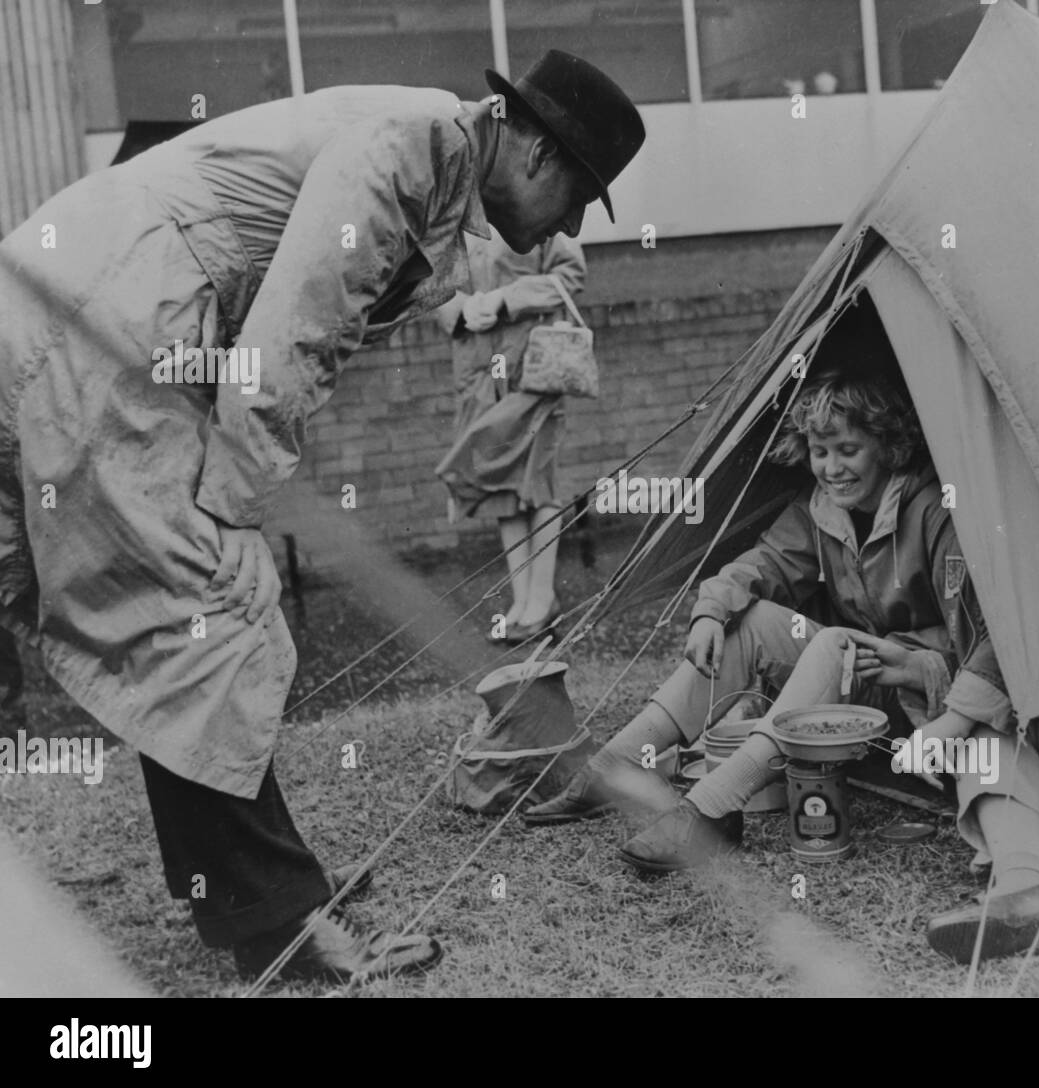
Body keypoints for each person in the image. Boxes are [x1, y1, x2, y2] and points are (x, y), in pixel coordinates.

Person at [0, 51, 644, 984]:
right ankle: (281, 926)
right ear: (540, 155)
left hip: (54, 305)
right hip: (104, 322)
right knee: (212, 621)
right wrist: (231, 508)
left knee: (140, 614)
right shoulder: (412, 149)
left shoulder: (439, 155)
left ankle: (245, 899)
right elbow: (291, 341)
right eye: (579, 200)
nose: (568, 227)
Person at [526, 368, 1039, 959]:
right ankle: (616, 765)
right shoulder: (823, 509)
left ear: (888, 445)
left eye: (849, 449)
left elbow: (1002, 633)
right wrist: (708, 610)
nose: (833, 468)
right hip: (873, 691)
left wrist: (925, 672)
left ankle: (711, 808)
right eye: (821, 452)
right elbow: (764, 563)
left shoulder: (934, 508)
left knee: (836, 646)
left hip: (942, 702)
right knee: (747, 621)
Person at [433, 226, 586, 643]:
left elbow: (570, 276)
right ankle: (522, 602)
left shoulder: (537, 208)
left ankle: (542, 598)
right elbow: (432, 282)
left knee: (539, 477)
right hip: (480, 367)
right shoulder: (452, 216)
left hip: (532, 363)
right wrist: (463, 310)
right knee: (498, 481)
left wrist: (505, 299)